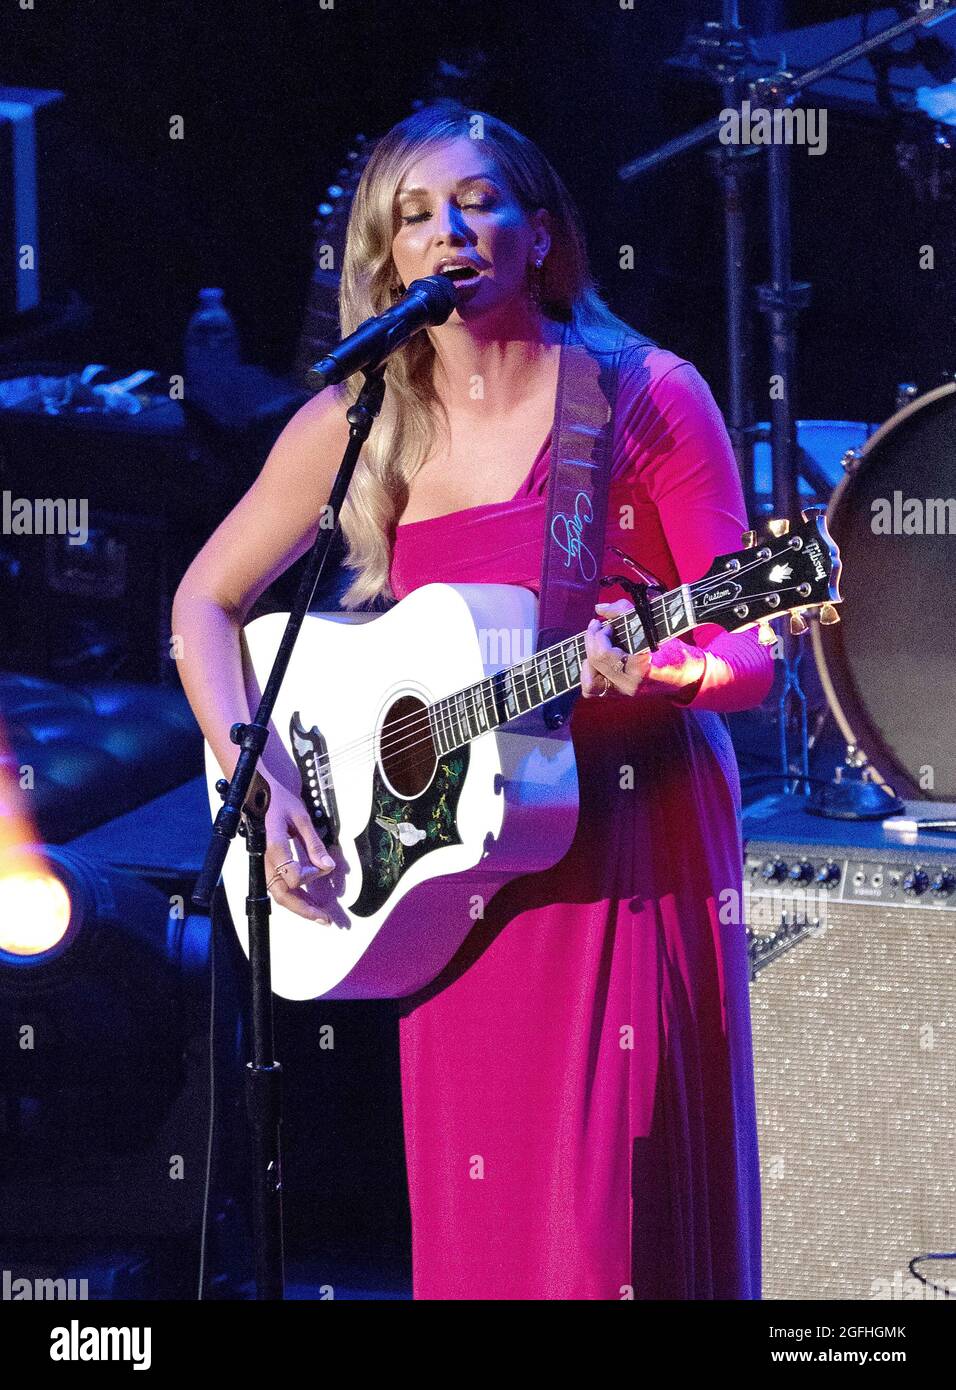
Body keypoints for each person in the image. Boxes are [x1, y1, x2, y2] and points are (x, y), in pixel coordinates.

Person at [172, 102, 774, 1300]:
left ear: (540, 233)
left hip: (623, 847)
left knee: (608, 1234)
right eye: (412, 215)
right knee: (488, 1238)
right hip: (448, 875)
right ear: (385, 259)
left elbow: (750, 653)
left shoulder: (643, 395)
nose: (447, 230)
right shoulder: (362, 421)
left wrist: (663, 663)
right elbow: (203, 603)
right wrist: (264, 773)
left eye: (477, 200)